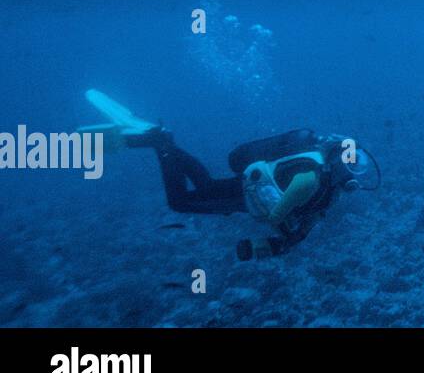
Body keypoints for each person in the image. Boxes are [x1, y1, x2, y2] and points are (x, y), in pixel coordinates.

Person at [79, 89, 378, 260]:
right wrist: (284, 229)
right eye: (352, 169)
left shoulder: (328, 187)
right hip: (246, 195)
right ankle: (160, 142)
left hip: (247, 190)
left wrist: (289, 239)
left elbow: (305, 220)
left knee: (206, 184)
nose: (353, 179)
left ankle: (164, 141)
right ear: (340, 163)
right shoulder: (314, 177)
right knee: (180, 202)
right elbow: (277, 213)